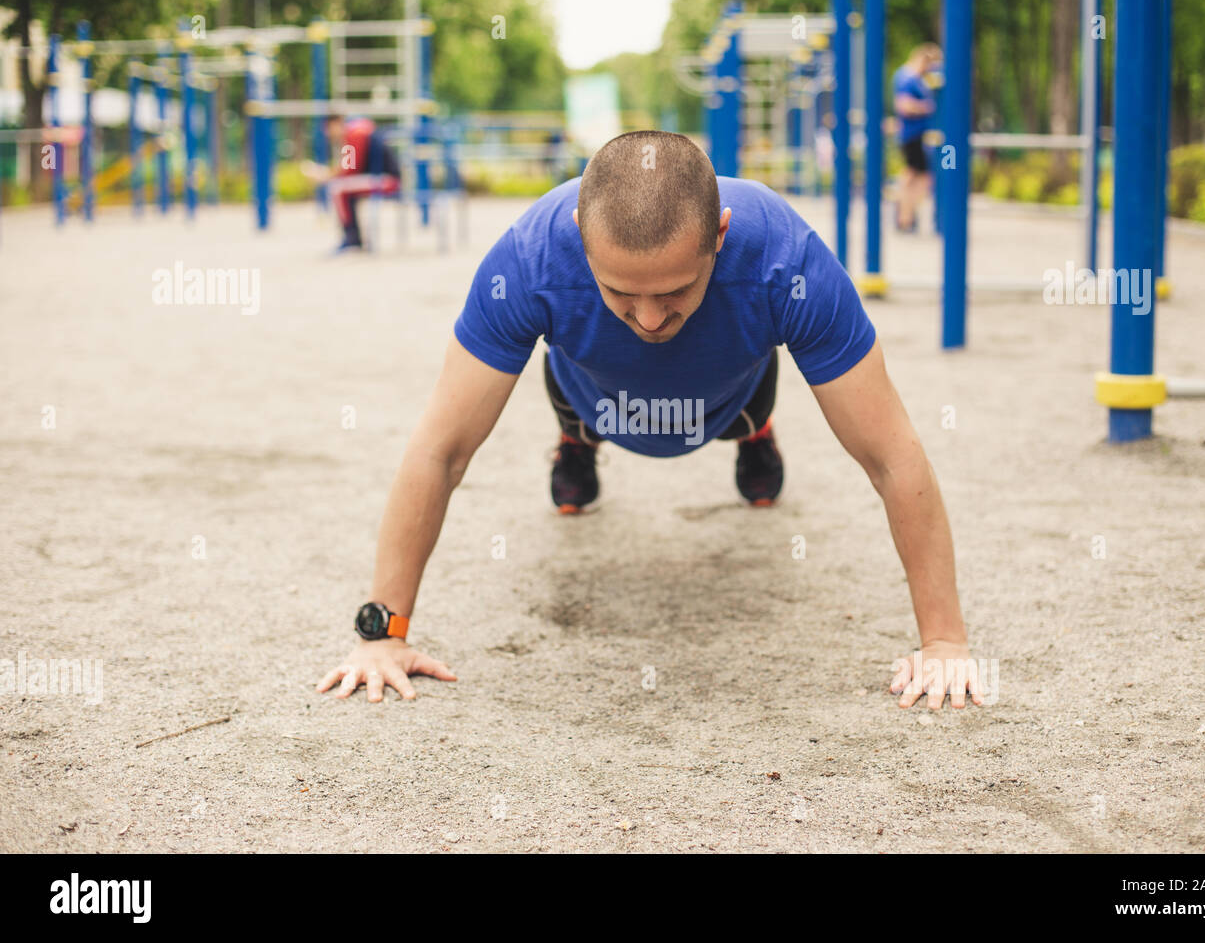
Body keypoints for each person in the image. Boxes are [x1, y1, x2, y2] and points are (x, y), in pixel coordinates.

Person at [315, 131, 983, 711]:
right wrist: (383, 634)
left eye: (674, 292)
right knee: (577, 395)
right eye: (621, 294)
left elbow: (891, 454)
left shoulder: (788, 261)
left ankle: (756, 431)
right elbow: (442, 450)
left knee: (750, 406)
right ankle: (574, 444)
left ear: (720, 234)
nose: (652, 319)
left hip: (728, 393)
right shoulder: (528, 260)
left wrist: (945, 641)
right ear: (580, 241)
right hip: (593, 394)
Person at [302, 114, 401, 252]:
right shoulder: (358, 130)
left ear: (336, 123)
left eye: (328, 129)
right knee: (343, 188)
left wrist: (325, 175)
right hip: (383, 177)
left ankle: (351, 237)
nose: (328, 134)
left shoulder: (354, 133)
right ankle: (353, 237)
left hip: (386, 180)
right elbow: (350, 168)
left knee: (338, 189)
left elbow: (350, 169)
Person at [892, 43, 942, 232]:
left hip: (916, 134)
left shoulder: (911, 77)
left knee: (916, 175)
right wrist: (929, 107)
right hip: (913, 134)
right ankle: (906, 215)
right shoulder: (908, 78)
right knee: (915, 175)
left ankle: (907, 215)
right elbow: (903, 105)